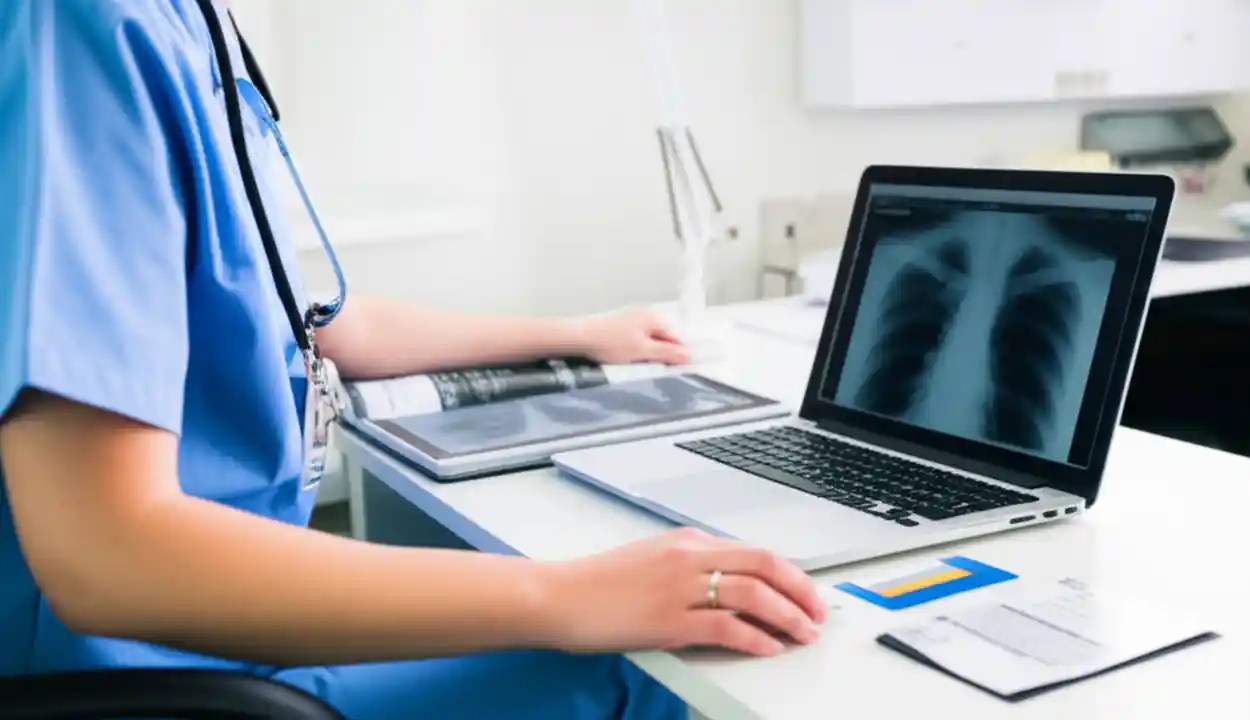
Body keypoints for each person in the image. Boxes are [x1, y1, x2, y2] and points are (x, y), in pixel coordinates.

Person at [0, 2, 826, 718]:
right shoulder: (86, 27)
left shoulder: (185, 24)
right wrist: (567, 594)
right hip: (152, 681)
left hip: (209, 642)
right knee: (655, 669)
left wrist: (577, 334)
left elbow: (310, 322)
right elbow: (102, 555)